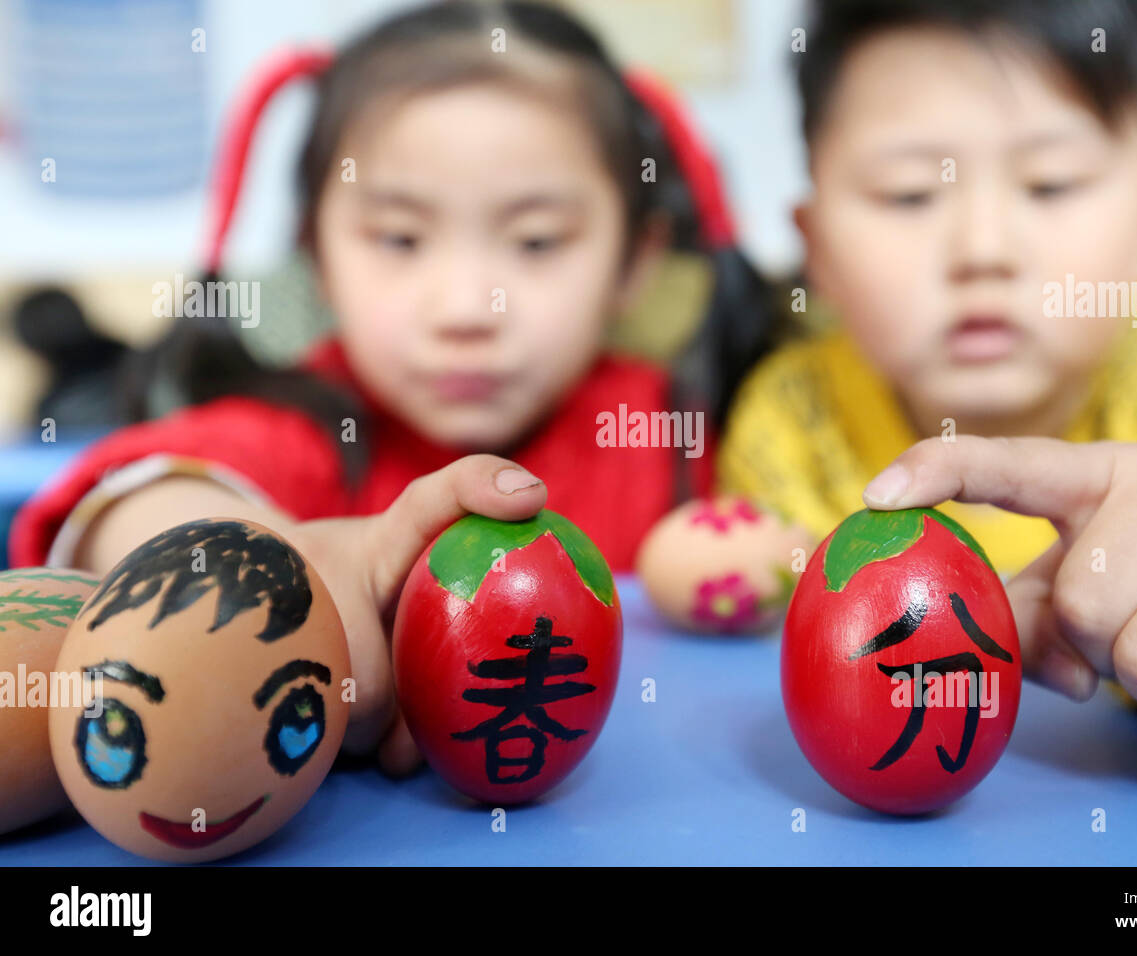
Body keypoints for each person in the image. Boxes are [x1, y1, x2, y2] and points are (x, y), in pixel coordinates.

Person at [8, 1, 745, 773]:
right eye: (399, 238)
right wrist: (274, 561)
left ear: (635, 262)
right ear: (316, 256)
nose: (466, 308)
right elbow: (128, 499)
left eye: (536, 241)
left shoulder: (672, 427)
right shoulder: (309, 425)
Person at [720, 0, 1137, 747]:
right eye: (910, 194)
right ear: (818, 250)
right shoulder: (793, 418)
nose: (983, 249)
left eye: (1050, 184)